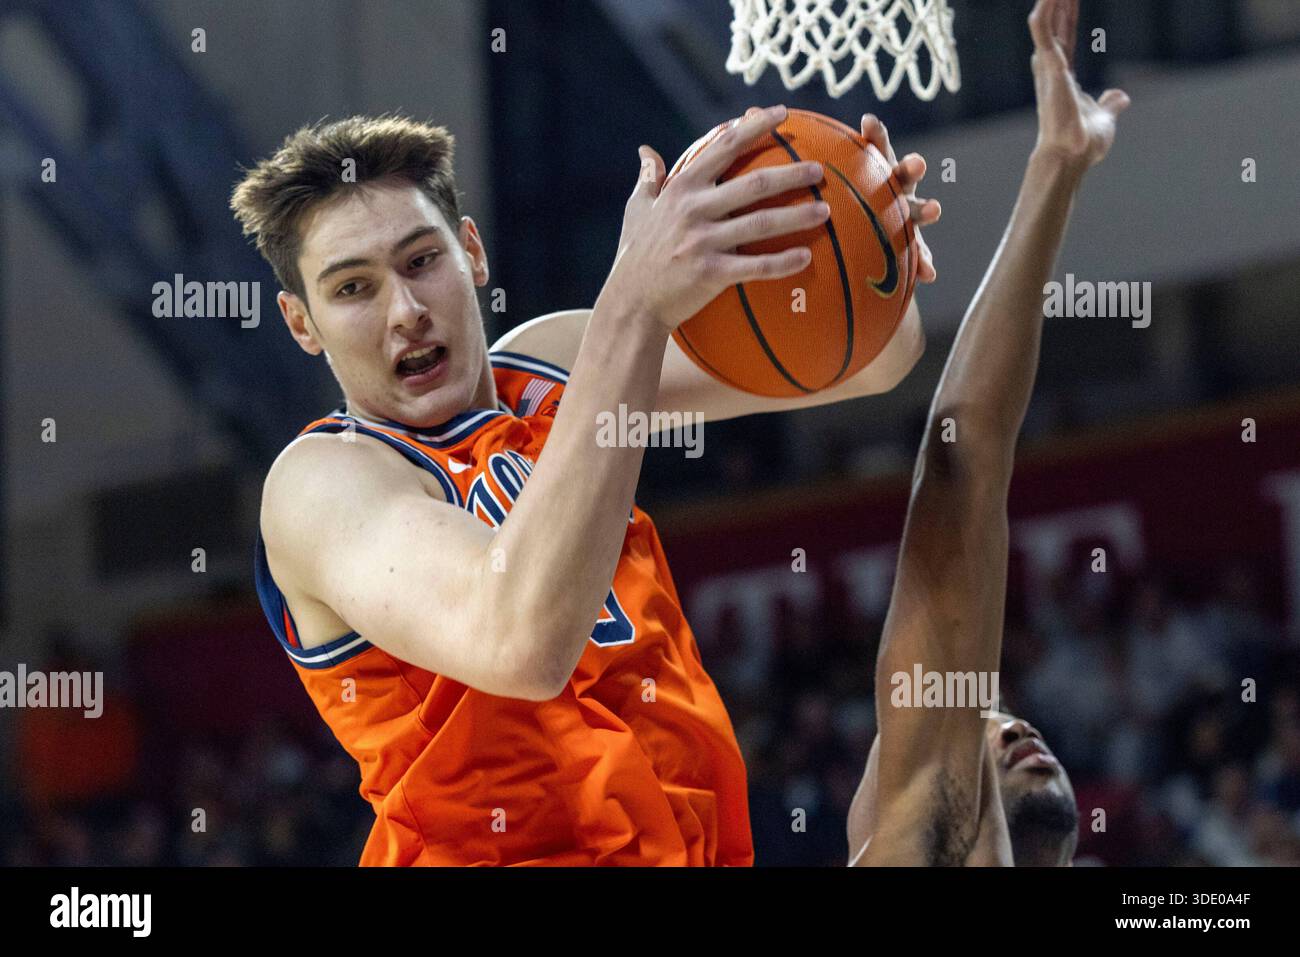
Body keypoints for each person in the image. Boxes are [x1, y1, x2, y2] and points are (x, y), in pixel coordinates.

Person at [233, 103, 938, 863]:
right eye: (352, 289)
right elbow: (522, 641)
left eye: (419, 261)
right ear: (302, 324)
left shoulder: (555, 363)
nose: (405, 311)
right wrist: (633, 301)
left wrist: (864, 236)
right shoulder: (320, 483)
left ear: (472, 252)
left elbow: (874, 359)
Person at [846, 0, 1128, 866]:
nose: (1010, 733)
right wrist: (1054, 170)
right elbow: (961, 460)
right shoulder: (931, 832)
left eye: (1005, 723)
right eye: (989, 722)